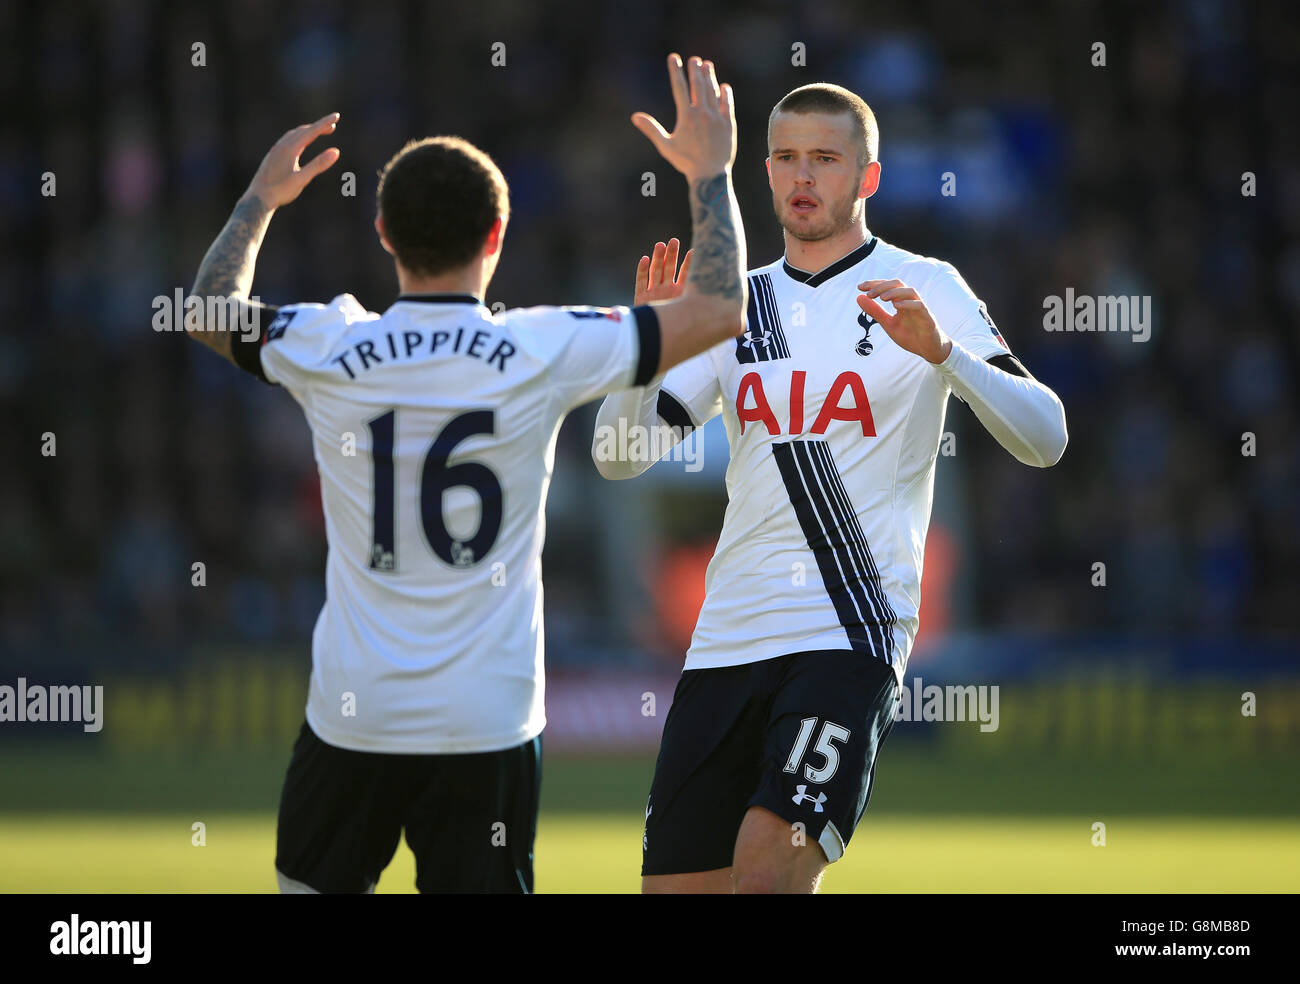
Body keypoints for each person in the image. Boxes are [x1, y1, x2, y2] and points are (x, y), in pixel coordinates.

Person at [182, 53, 747, 893]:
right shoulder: (540, 347)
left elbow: (204, 312)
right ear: (497, 236)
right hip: (487, 718)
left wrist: (258, 201)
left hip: (355, 711)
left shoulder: (329, 342)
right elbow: (719, 308)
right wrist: (713, 173)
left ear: (383, 235)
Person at [593, 82, 1068, 894]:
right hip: (728, 636)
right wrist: (645, 351)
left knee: (769, 865)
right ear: (766, 172)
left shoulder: (923, 285)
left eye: (824, 157)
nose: (801, 175)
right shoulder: (732, 302)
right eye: (784, 157)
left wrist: (946, 354)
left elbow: (1048, 436)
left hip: (849, 627)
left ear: (868, 177)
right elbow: (619, 454)